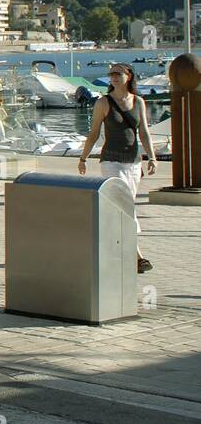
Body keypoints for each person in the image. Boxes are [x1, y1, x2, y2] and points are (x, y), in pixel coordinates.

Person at [78, 63, 157, 273]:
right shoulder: (104, 103)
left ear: (129, 76)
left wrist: (152, 157)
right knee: (124, 205)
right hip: (111, 160)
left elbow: (144, 133)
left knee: (123, 207)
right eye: (110, 74)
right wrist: (83, 158)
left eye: (117, 73)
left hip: (133, 162)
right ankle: (137, 256)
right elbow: (94, 133)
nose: (112, 77)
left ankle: (115, 251)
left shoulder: (138, 102)